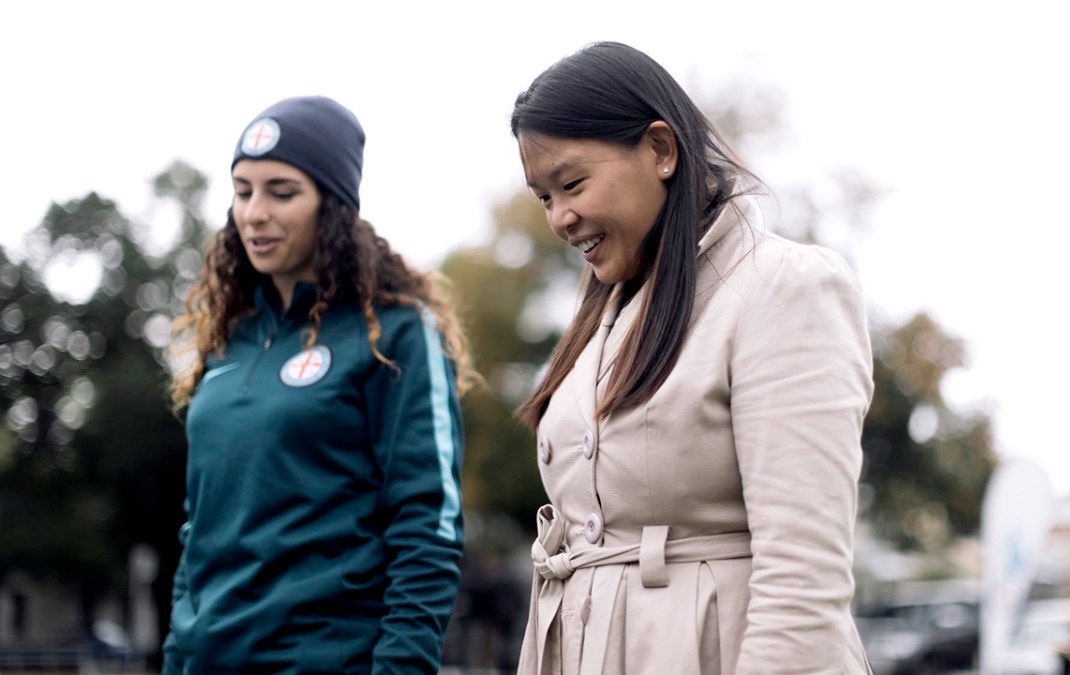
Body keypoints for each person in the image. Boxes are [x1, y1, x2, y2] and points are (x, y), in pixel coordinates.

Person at [509, 42, 875, 673]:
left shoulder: (784, 287)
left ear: (660, 150)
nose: (560, 218)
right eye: (543, 197)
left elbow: (802, 582)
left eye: (571, 184)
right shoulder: (603, 314)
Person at [161, 95, 473, 674]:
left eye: (281, 192)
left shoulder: (395, 333)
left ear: (331, 206)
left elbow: (427, 527)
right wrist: (178, 653)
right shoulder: (226, 343)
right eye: (242, 190)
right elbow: (198, 529)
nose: (254, 212)